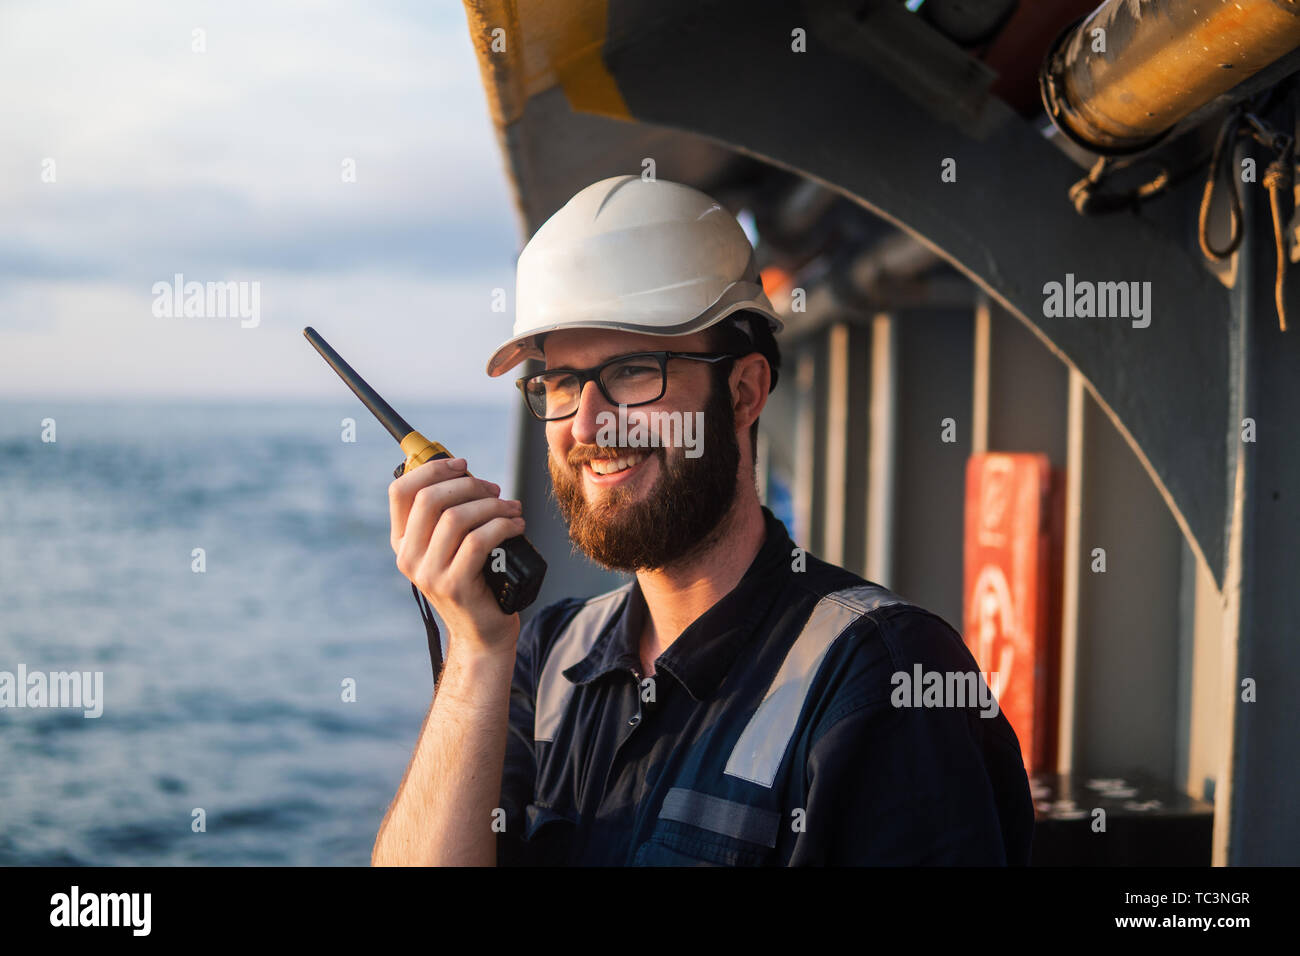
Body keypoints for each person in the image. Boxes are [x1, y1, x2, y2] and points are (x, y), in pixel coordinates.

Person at [371, 175, 1034, 866]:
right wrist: (476, 649)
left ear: (743, 392)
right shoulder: (543, 657)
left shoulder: (881, 676)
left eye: (633, 371)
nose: (590, 425)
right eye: (563, 383)